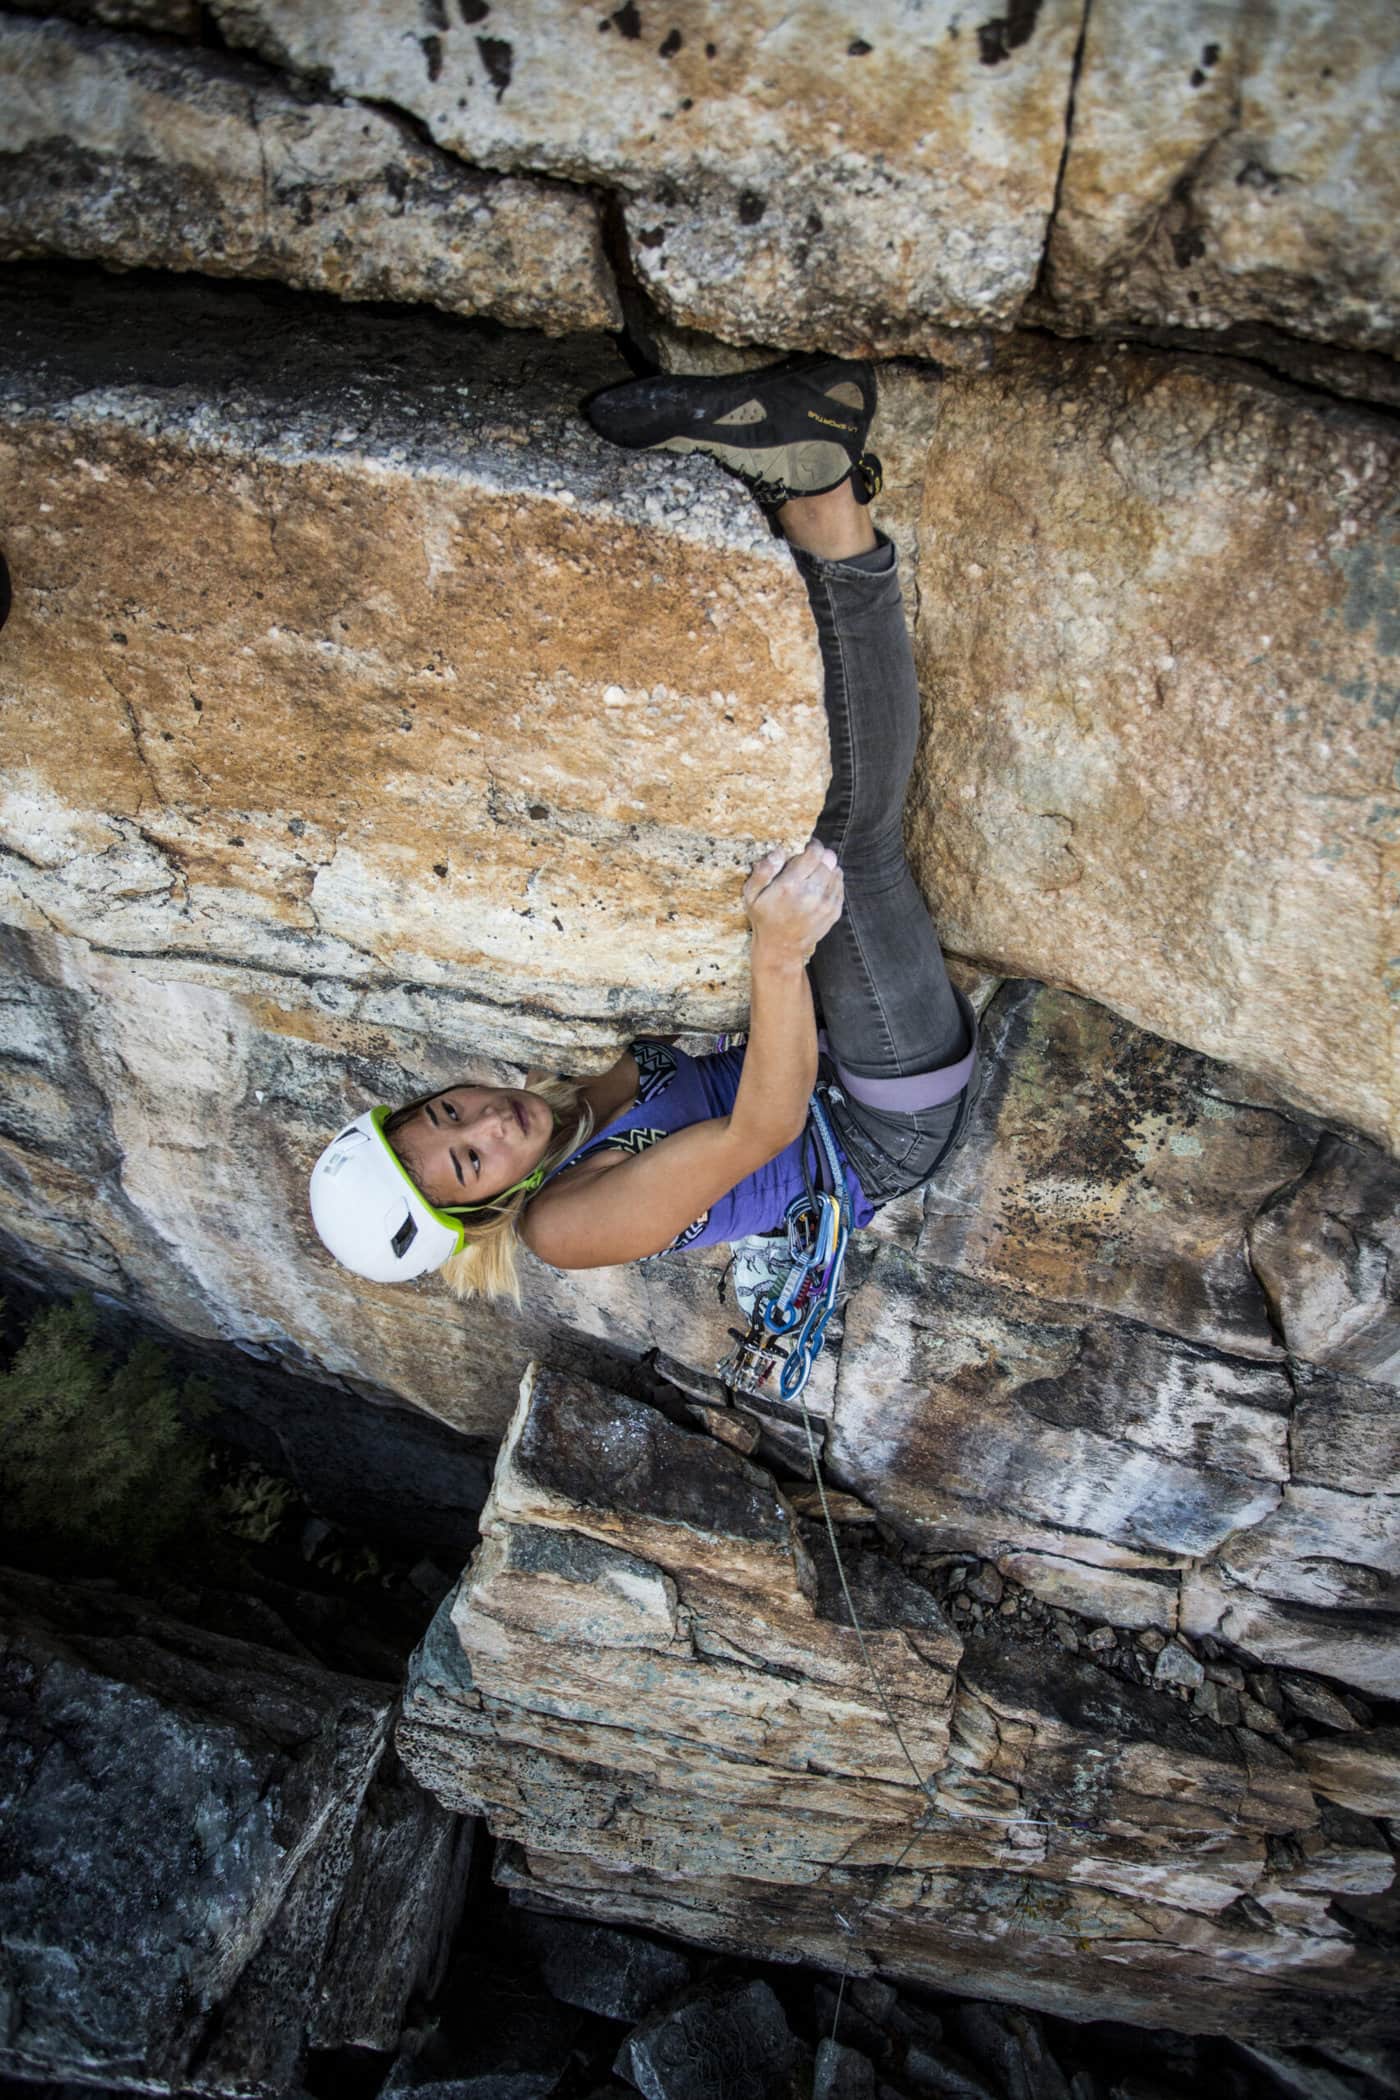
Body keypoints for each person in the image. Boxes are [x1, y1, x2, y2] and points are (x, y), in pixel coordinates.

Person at [309, 356, 979, 1302]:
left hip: (831, 1069)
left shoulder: (568, 1113)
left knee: (801, 830)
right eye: (469, 1162)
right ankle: (824, 487)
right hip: (880, 1122)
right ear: (479, 1216)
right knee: (844, 849)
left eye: (449, 1110)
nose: (487, 1121)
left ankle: (808, 490)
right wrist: (778, 954)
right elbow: (758, 1134)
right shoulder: (564, 1229)